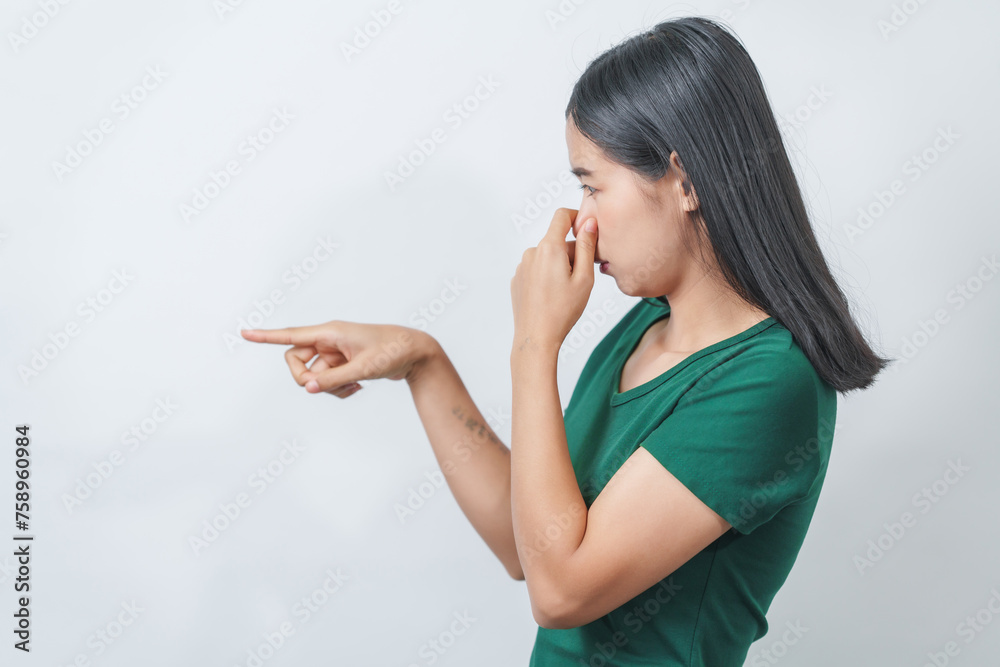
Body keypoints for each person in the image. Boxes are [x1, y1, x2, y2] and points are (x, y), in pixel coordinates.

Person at [241, 15, 892, 666]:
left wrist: (535, 342)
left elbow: (560, 590)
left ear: (686, 180)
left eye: (591, 184)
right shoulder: (645, 326)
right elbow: (523, 543)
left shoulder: (768, 381)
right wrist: (422, 360)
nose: (581, 218)